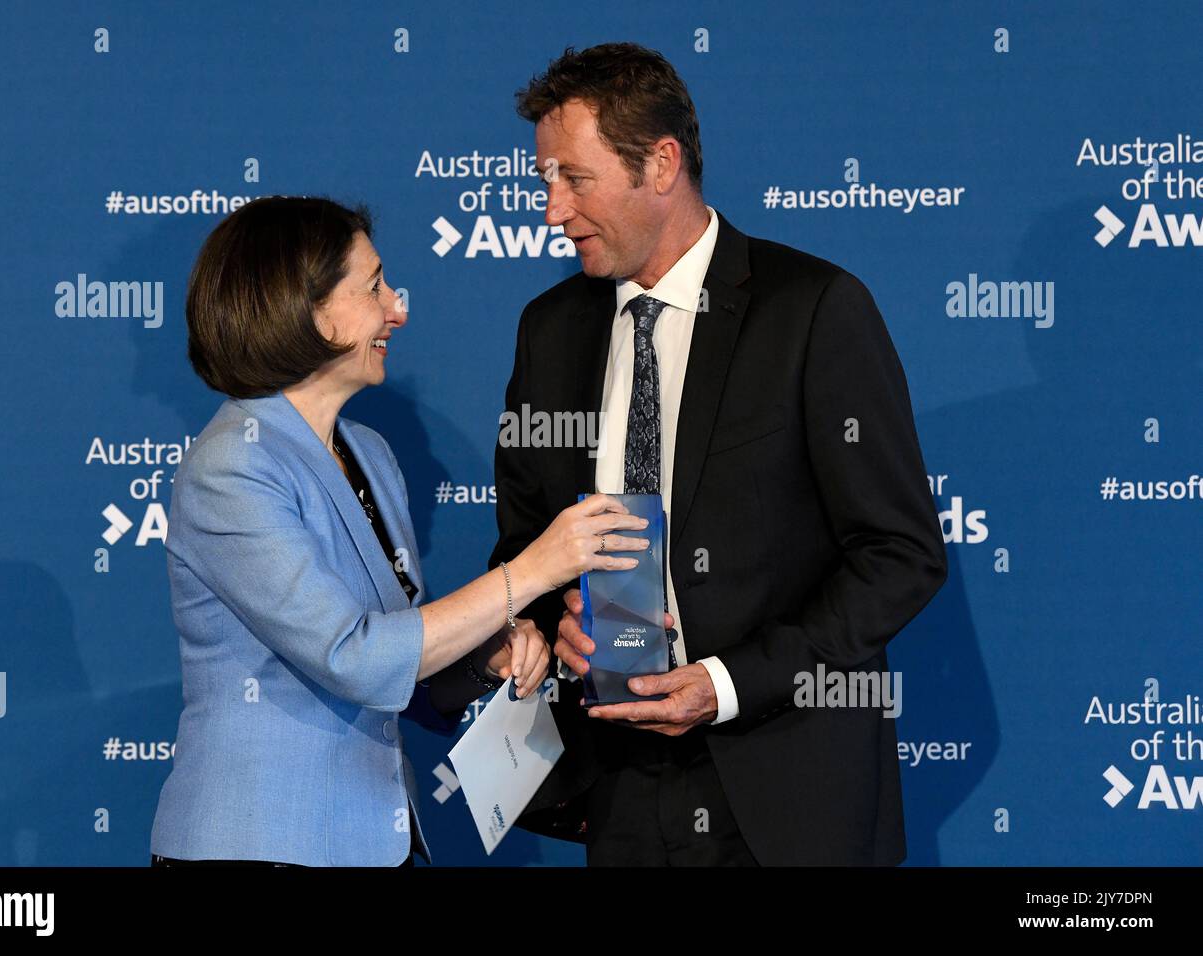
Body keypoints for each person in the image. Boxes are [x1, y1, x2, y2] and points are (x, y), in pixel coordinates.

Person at [490, 43, 948, 865]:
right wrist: (548, 625)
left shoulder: (812, 311)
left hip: (785, 796)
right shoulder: (549, 329)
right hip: (619, 789)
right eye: (545, 181)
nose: (553, 210)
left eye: (575, 179)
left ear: (660, 164)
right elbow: (524, 542)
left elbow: (899, 555)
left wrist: (727, 684)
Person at [149, 196, 649, 867]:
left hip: (379, 844)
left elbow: (401, 661)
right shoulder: (233, 466)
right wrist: (534, 570)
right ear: (308, 307)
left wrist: (485, 656)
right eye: (373, 286)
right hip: (261, 847)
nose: (397, 308)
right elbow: (352, 655)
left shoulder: (371, 455)